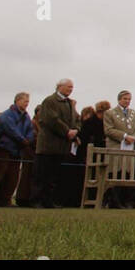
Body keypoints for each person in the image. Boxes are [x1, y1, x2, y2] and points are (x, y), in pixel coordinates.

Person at [31, 79, 79, 209]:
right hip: (48, 144)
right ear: (59, 87)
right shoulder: (50, 101)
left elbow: (75, 119)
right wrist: (67, 131)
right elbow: (51, 119)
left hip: (61, 145)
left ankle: (49, 200)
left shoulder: (69, 103)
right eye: (68, 87)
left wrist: (75, 130)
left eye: (72, 87)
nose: (70, 89)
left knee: (54, 175)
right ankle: (37, 200)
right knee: (42, 174)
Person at [0, 91, 33, 207]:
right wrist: (22, 140)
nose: (27, 104)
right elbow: (9, 128)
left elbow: (30, 129)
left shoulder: (26, 116)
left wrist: (28, 139)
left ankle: (5, 200)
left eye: (28, 102)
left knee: (13, 177)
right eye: (25, 101)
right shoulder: (8, 114)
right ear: (17, 100)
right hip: (4, 148)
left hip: (18, 149)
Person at [103, 90, 135, 208]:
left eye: (129, 99)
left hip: (129, 149)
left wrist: (134, 137)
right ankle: (114, 202)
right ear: (119, 99)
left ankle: (127, 202)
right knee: (116, 174)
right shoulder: (110, 113)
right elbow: (108, 130)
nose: (127, 101)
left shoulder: (134, 114)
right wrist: (124, 136)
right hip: (116, 148)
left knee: (128, 174)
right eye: (125, 99)